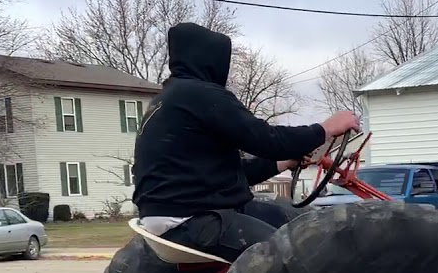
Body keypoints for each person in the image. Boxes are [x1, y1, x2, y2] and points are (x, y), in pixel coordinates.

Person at [131, 22, 360, 260]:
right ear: (210, 59)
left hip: (176, 213)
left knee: (302, 220)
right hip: (194, 217)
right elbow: (268, 140)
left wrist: (286, 162)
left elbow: (229, 174)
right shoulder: (198, 94)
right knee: (303, 252)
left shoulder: (168, 100)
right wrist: (325, 129)